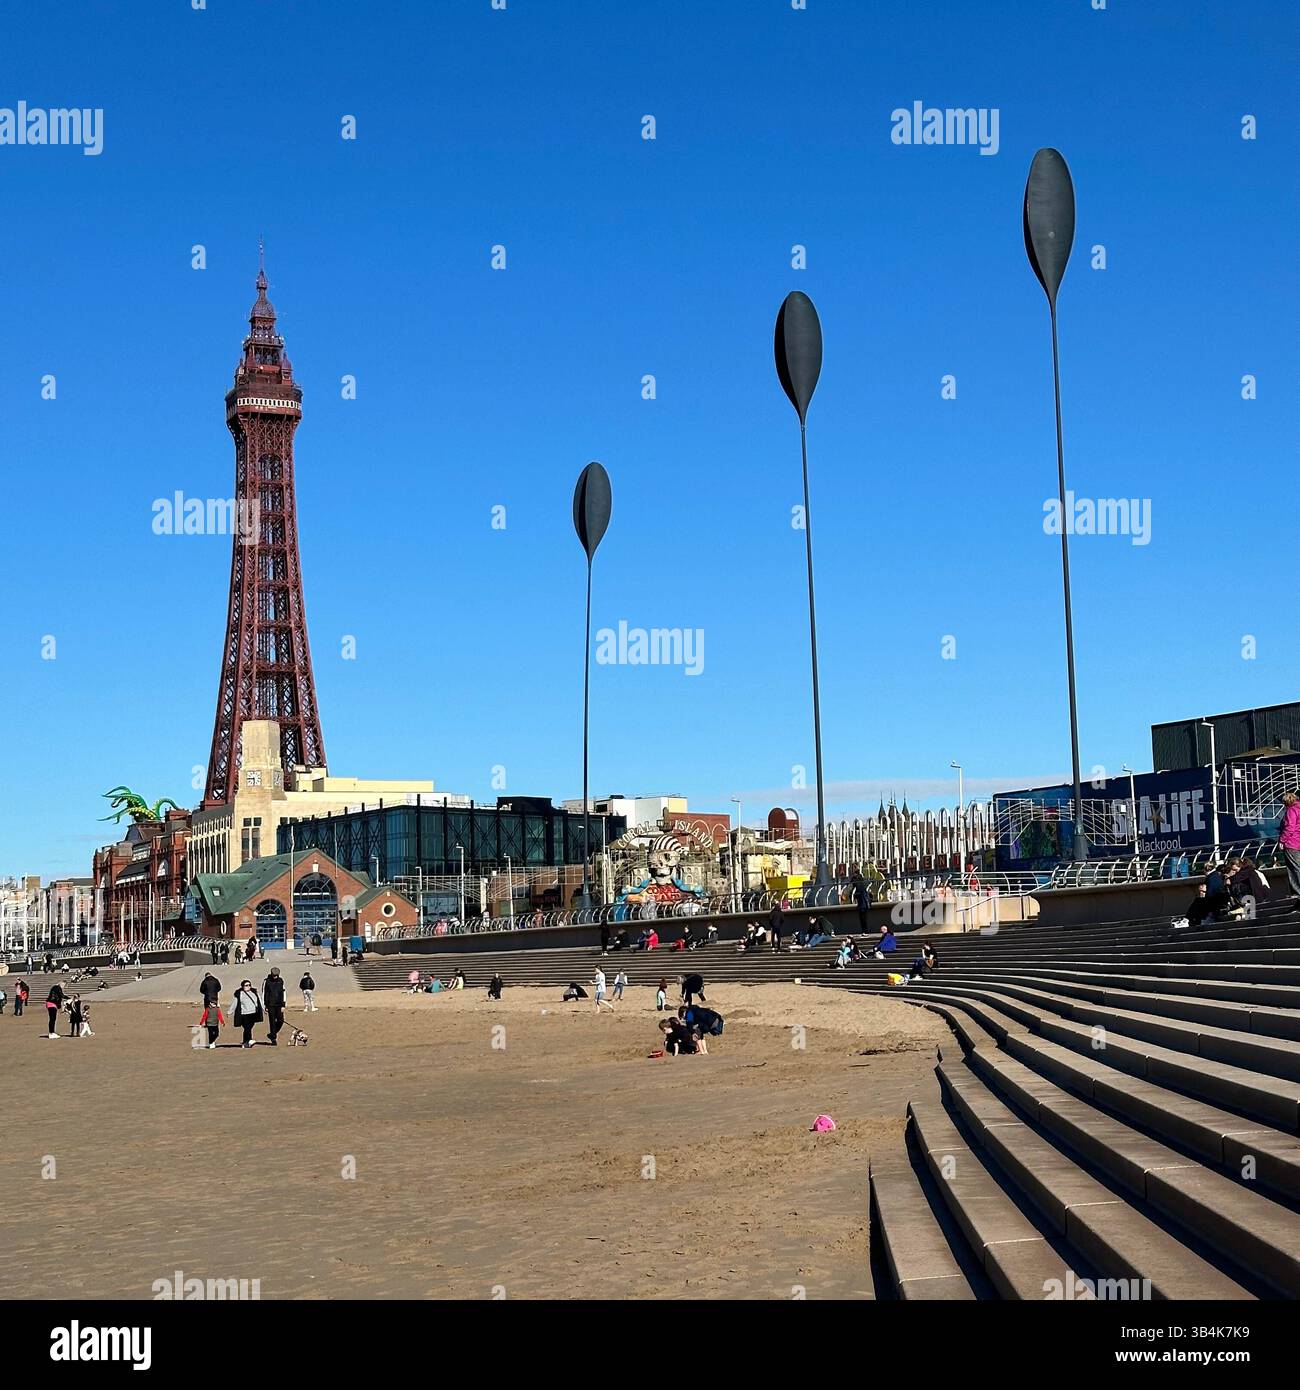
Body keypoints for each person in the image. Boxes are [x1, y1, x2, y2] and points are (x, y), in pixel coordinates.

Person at [1280, 792, 1300, 899]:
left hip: (1291, 843)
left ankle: (1297, 891)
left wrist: (1282, 841)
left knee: (1294, 868)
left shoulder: (1291, 810)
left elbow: (1289, 827)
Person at [232, 980, 263, 1048]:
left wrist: (264, 1008)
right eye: (246, 985)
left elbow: (259, 1001)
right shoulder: (239, 994)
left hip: (253, 1013)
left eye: (249, 985)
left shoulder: (254, 992)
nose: (248, 987)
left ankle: (245, 1043)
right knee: (247, 1027)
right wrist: (230, 1011)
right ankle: (249, 1040)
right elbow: (235, 1003)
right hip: (244, 1014)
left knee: (248, 1028)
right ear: (243, 986)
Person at [263, 967, 287, 1044]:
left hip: (279, 1004)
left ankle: (272, 1034)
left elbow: (283, 992)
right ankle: (273, 1038)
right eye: (274, 975)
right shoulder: (266, 981)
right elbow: (264, 993)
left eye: (276, 975)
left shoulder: (281, 981)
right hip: (270, 1004)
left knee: (281, 1020)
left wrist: (283, 1005)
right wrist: (265, 1005)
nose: (275, 977)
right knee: (272, 1021)